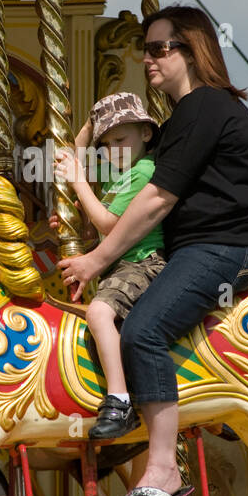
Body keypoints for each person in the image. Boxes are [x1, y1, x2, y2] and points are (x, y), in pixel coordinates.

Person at [59, 5, 248, 496]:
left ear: (191, 49)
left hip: (224, 249)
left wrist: (95, 260)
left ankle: (164, 472)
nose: (148, 59)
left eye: (158, 48)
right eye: (145, 50)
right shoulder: (182, 120)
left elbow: (154, 201)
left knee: (144, 331)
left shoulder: (205, 108)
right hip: (194, 252)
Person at [55, 92, 166, 440]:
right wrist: (91, 122)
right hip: (121, 267)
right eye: (106, 144)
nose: (113, 149)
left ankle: (119, 401)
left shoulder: (143, 170)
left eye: (120, 139)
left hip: (142, 265)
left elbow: (107, 224)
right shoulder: (119, 171)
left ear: (145, 134)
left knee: (99, 314)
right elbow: (66, 154)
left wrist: (78, 183)